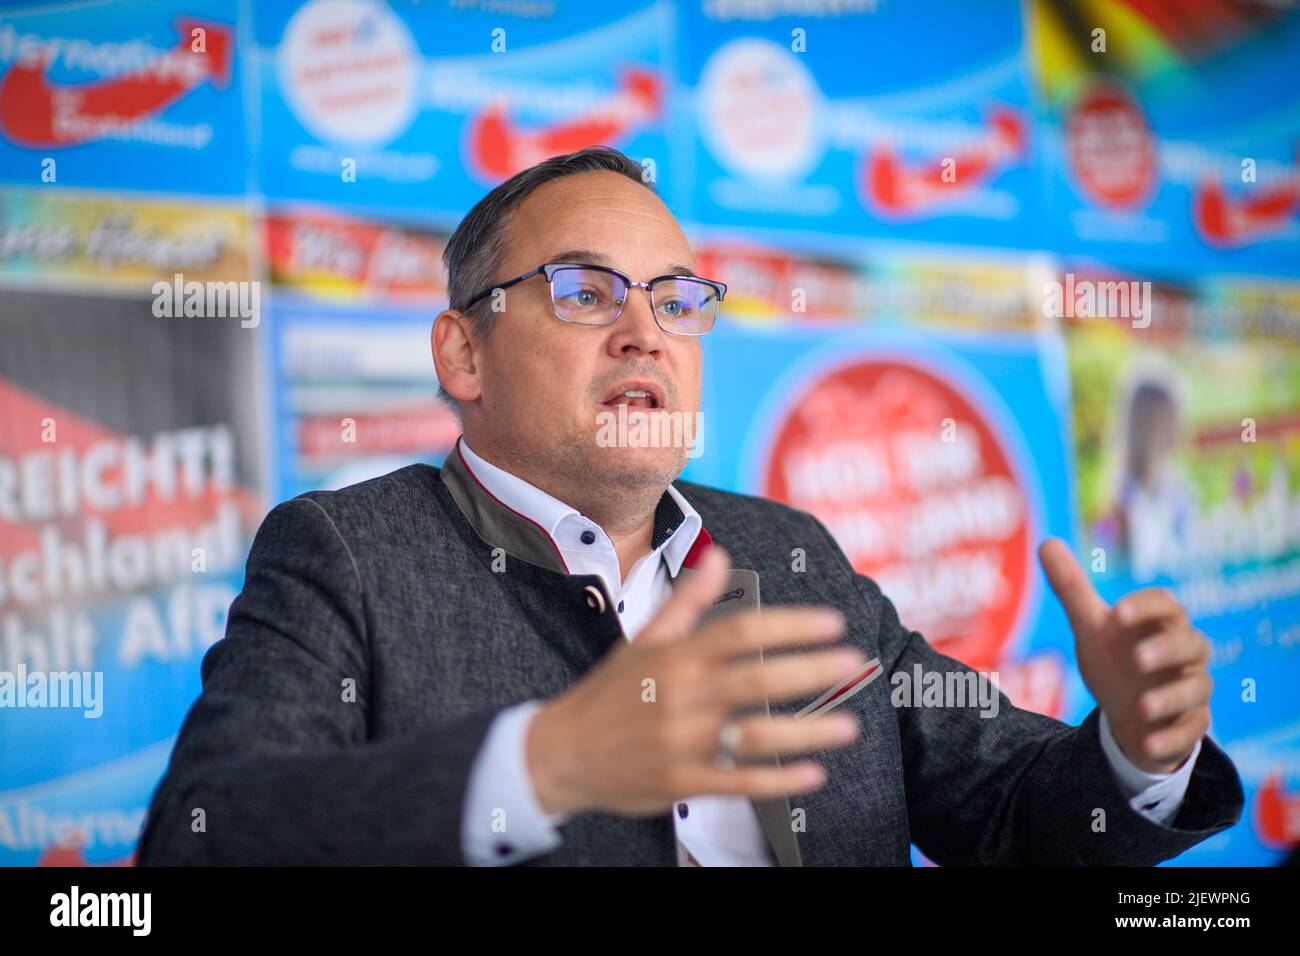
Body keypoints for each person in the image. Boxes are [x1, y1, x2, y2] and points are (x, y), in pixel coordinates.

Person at [137, 146, 1242, 866]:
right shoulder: (347, 553)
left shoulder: (790, 550)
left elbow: (1012, 806)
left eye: (676, 298)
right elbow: (202, 835)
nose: (644, 332)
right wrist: (543, 765)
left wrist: (1140, 753)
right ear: (462, 351)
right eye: (583, 292)